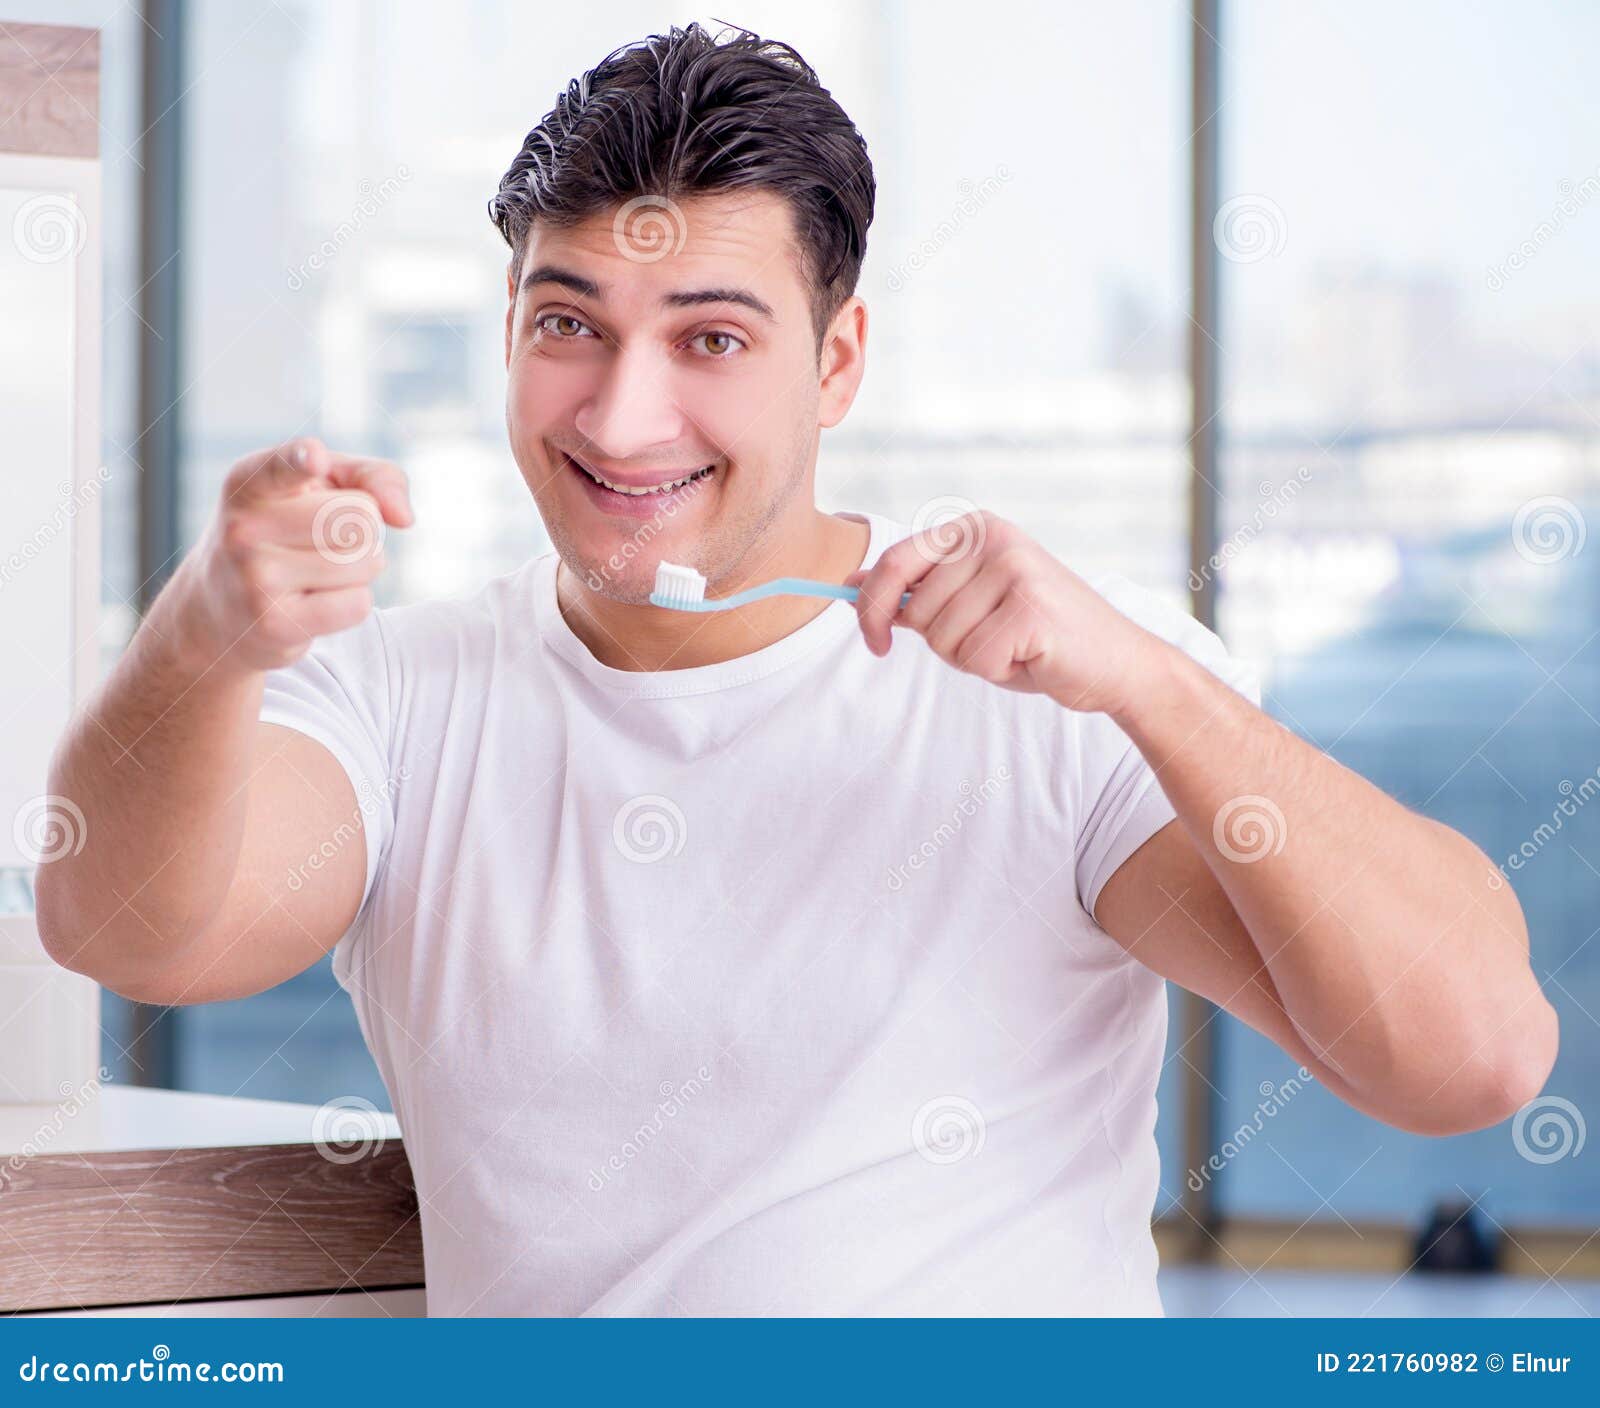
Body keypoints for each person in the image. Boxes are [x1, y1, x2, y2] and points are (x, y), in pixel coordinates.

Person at [36, 22, 1555, 1316]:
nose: (623, 421)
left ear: (836, 362)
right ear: (510, 330)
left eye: (710, 340)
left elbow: (1469, 1060)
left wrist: (1158, 685)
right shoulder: (400, 699)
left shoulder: (1052, 700)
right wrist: (201, 642)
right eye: (571, 325)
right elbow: (137, 936)